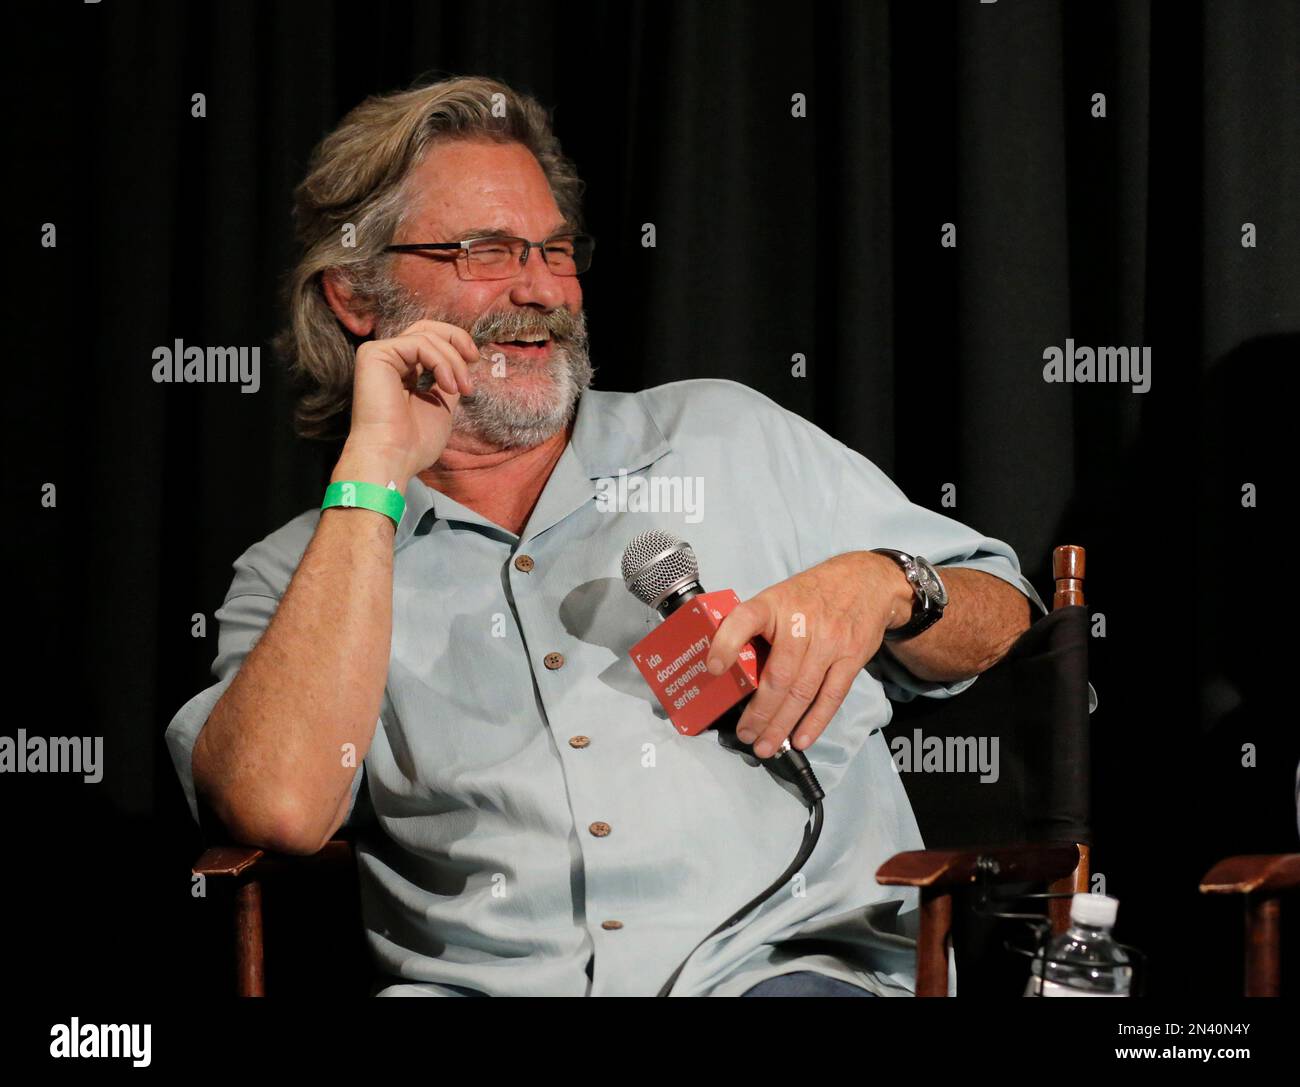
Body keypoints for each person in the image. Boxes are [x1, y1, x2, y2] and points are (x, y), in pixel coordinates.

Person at [165, 75, 1045, 997]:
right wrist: (373, 472)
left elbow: (1004, 614)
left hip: (786, 973)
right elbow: (279, 809)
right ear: (355, 295)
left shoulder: (724, 435)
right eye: (487, 251)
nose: (542, 287)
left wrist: (884, 583)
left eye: (553, 248)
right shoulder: (299, 572)